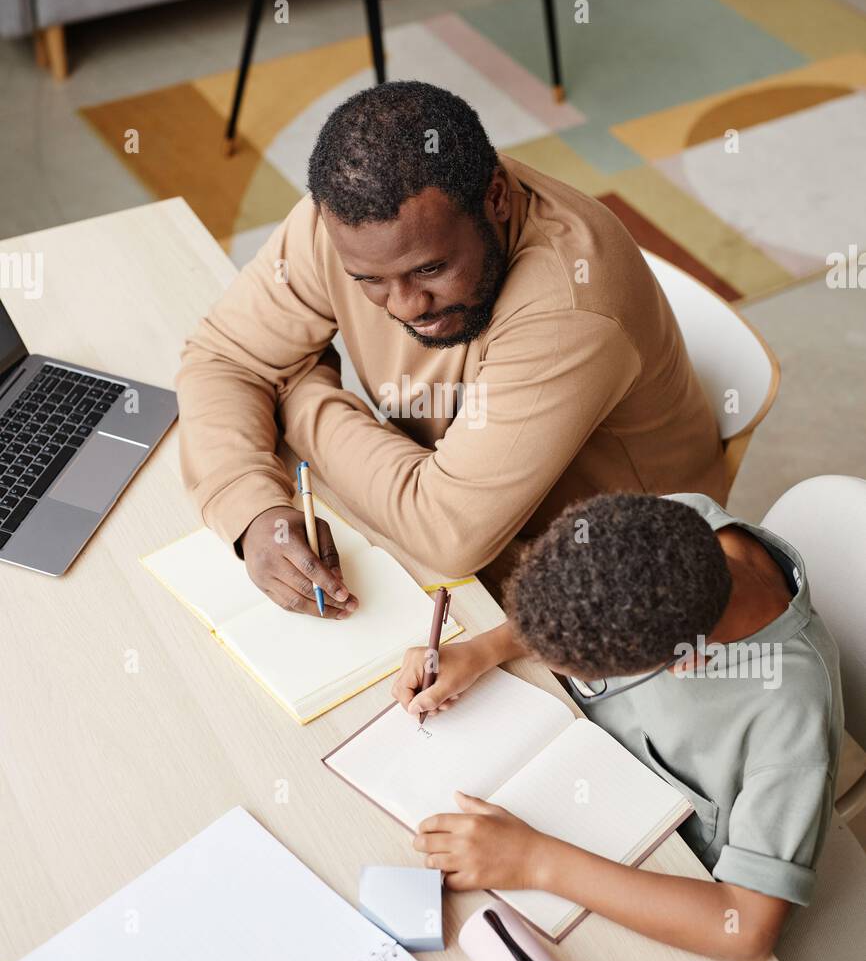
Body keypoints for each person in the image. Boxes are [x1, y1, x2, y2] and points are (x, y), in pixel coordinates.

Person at [176, 81, 726, 619]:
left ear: (496, 199)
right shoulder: (350, 218)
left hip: (615, 584)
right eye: (369, 279)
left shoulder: (569, 312)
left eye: (431, 269)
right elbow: (223, 358)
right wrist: (254, 508)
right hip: (446, 511)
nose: (406, 305)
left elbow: (447, 533)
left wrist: (302, 396)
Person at [393, 492, 843, 961]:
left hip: (659, 872)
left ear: (685, 664)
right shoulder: (674, 524)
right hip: (587, 779)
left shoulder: (791, 716)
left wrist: (534, 862)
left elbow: (745, 929)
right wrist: (487, 648)